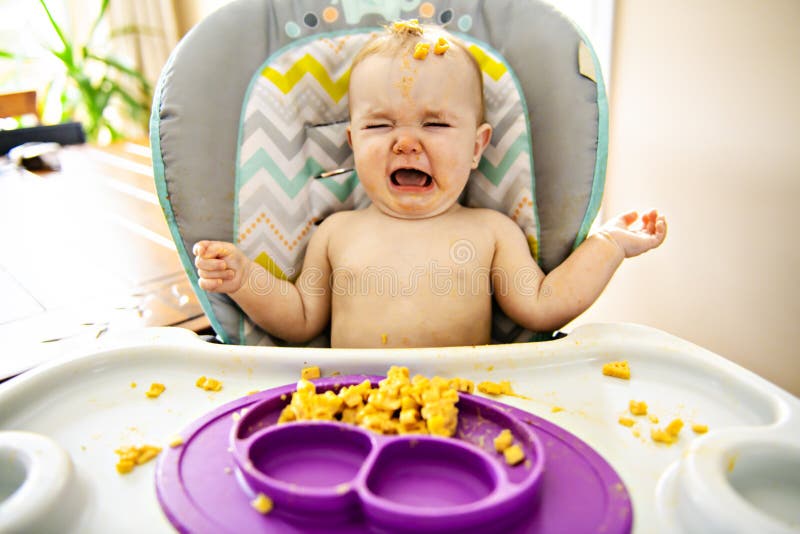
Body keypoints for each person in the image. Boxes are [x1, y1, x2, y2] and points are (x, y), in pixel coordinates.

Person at [193, 21, 666, 348]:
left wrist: (608, 246)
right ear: (353, 143)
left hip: (466, 409)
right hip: (353, 410)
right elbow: (298, 319)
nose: (405, 143)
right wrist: (244, 279)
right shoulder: (337, 232)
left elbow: (543, 306)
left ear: (478, 146)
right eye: (380, 127)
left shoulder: (491, 233)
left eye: (435, 125)